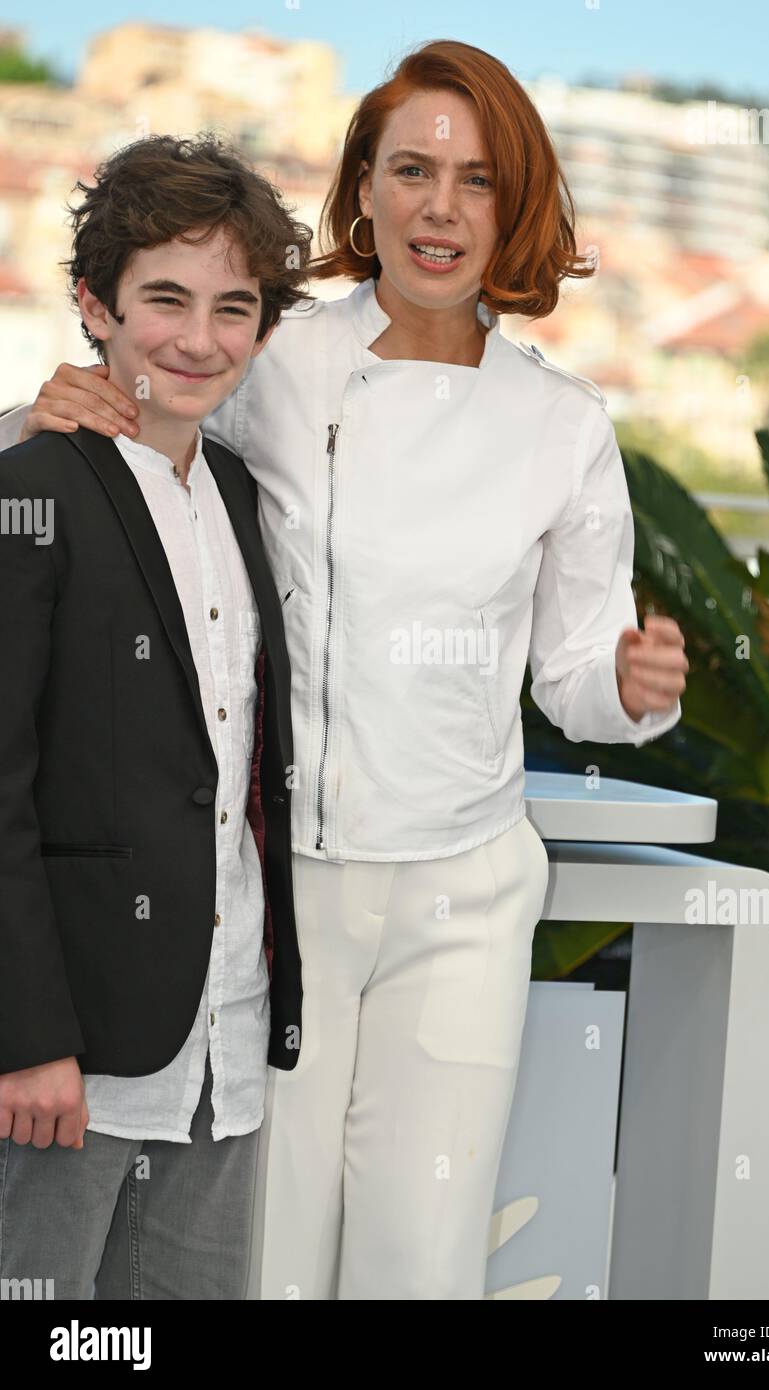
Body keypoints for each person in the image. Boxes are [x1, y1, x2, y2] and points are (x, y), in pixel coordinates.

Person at [0, 41, 688, 1300]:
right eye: (410, 169)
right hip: (285, 900)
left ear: (514, 203)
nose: (440, 207)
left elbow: (574, 678)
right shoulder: (278, 353)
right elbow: (132, 444)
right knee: (261, 1257)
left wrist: (637, 691)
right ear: (361, 191)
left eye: (477, 180)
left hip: (464, 896)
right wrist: (42, 410)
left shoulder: (565, 425)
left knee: (419, 1265)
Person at [0, 134, 311, 1299]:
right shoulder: (33, 486)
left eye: (234, 308)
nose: (198, 339)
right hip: (67, 1054)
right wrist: (24, 1034)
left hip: (224, 1031)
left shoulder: (236, 490)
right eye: (164, 299)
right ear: (95, 305)